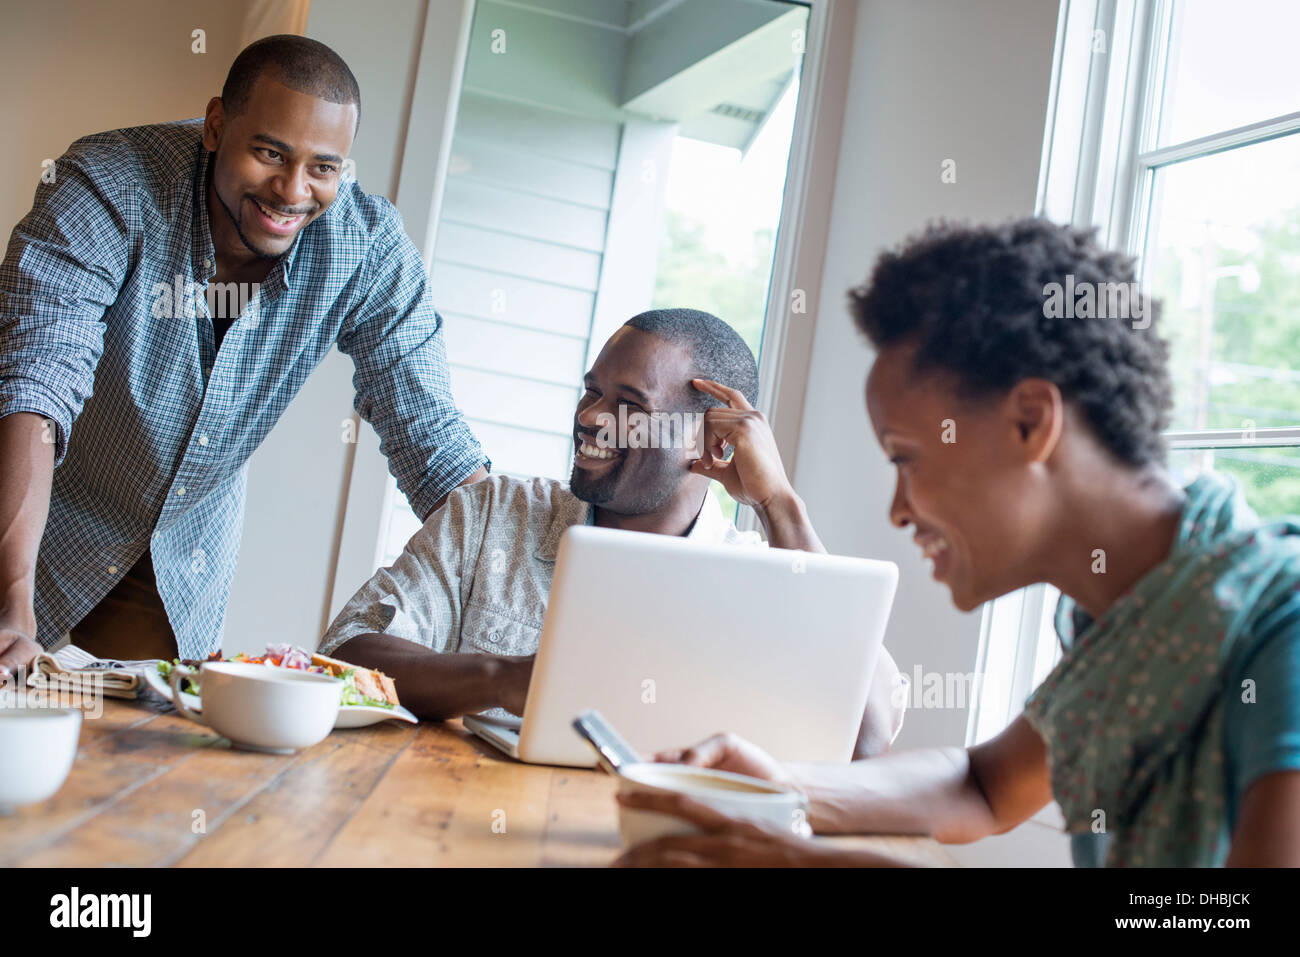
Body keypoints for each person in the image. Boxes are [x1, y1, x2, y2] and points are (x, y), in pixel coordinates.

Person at [615, 219, 1300, 867]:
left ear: (1031, 421)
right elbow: (984, 784)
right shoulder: (1132, 618)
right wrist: (781, 785)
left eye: (907, 458)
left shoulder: (1281, 628)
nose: (898, 510)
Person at [0, 35, 487, 674]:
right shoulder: (108, 183)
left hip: (176, 568)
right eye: (269, 152)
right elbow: (35, 381)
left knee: (137, 756)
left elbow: (430, 435)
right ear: (215, 125)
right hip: (32, 527)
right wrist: (11, 601)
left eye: (324, 167)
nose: (292, 190)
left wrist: (510, 580)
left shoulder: (364, 248)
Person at [321, 308, 906, 757]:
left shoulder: (770, 576)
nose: (591, 417)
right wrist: (507, 679)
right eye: (592, 390)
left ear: (710, 441)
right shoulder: (493, 512)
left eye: (629, 404)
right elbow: (345, 659)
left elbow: (867, 736)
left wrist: (779, 503)